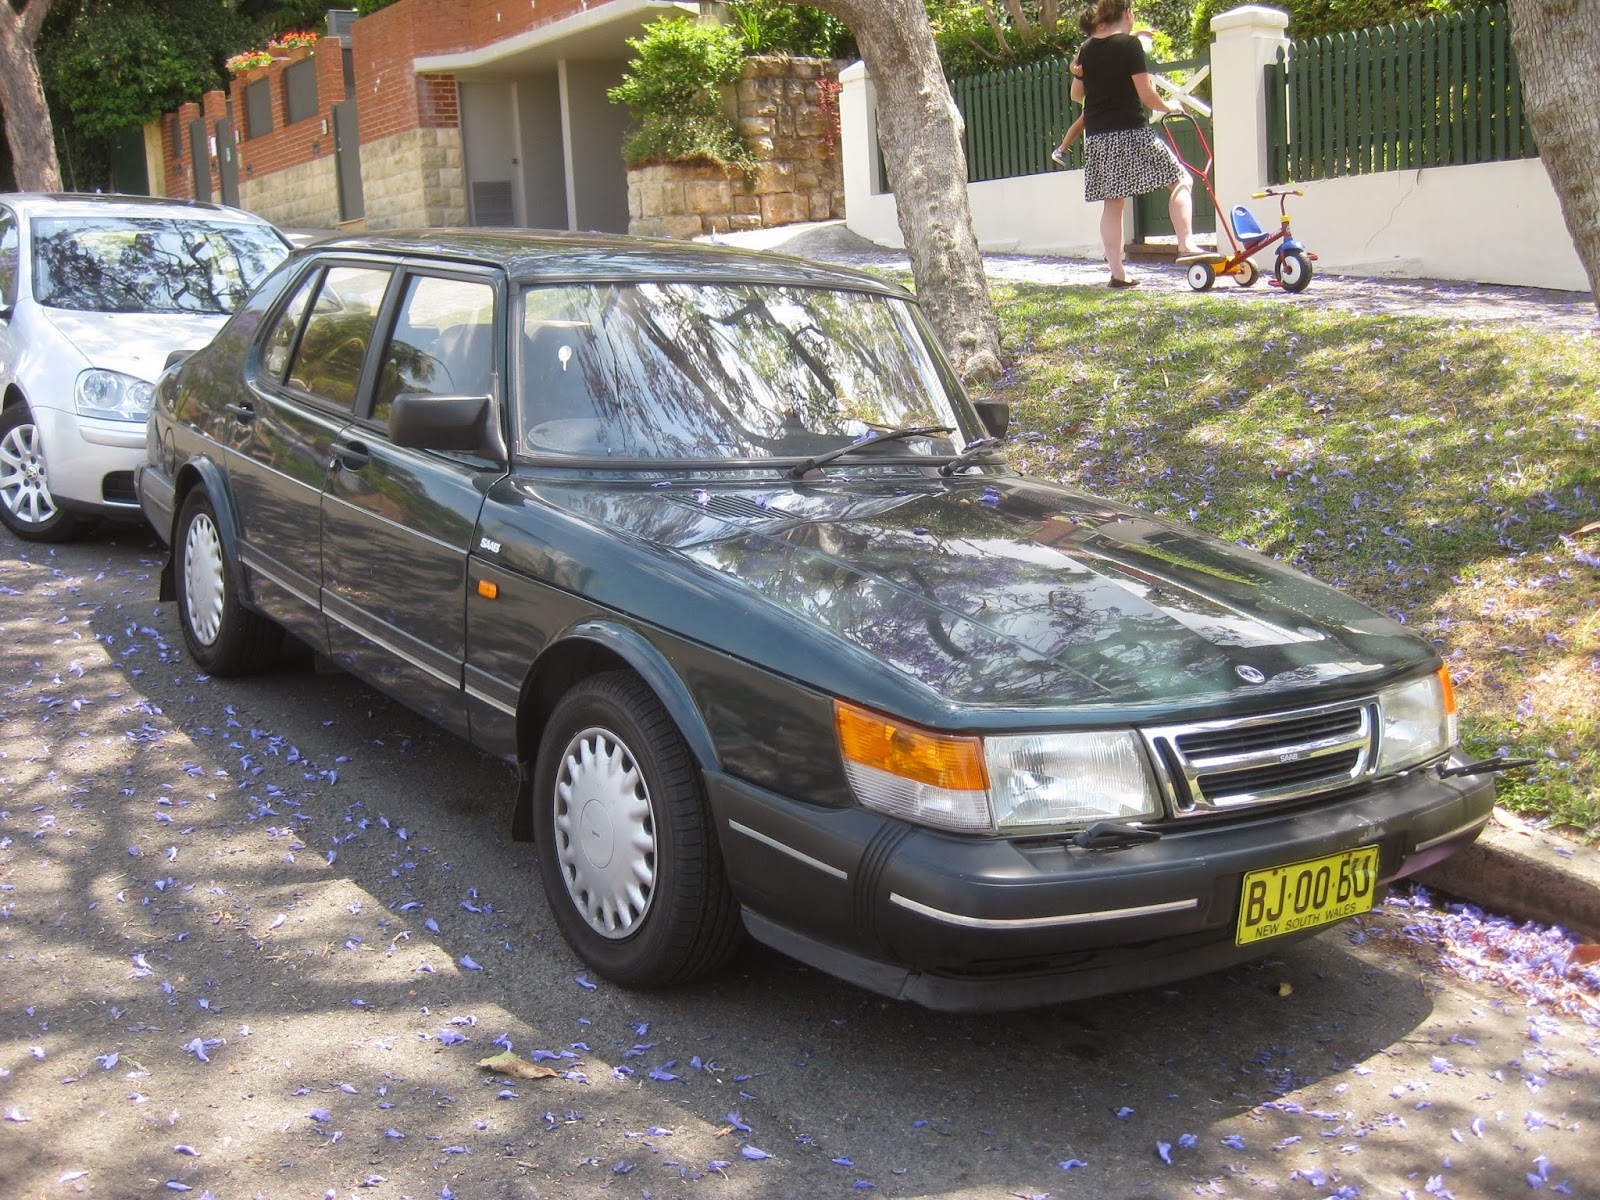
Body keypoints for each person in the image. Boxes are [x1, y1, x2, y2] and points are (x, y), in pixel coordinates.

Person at [1069, 0, 1204, 287]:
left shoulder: (1087, 48)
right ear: (1128, 13)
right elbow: (1146, 94)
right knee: (1181, 180)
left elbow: (1076, 95)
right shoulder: (1129, 46)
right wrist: (1169, 107)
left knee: (1113, 203)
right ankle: (1186, 244)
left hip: (1097, 136)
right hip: (1131, 129)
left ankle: (1117, 273)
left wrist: (1081, 73)